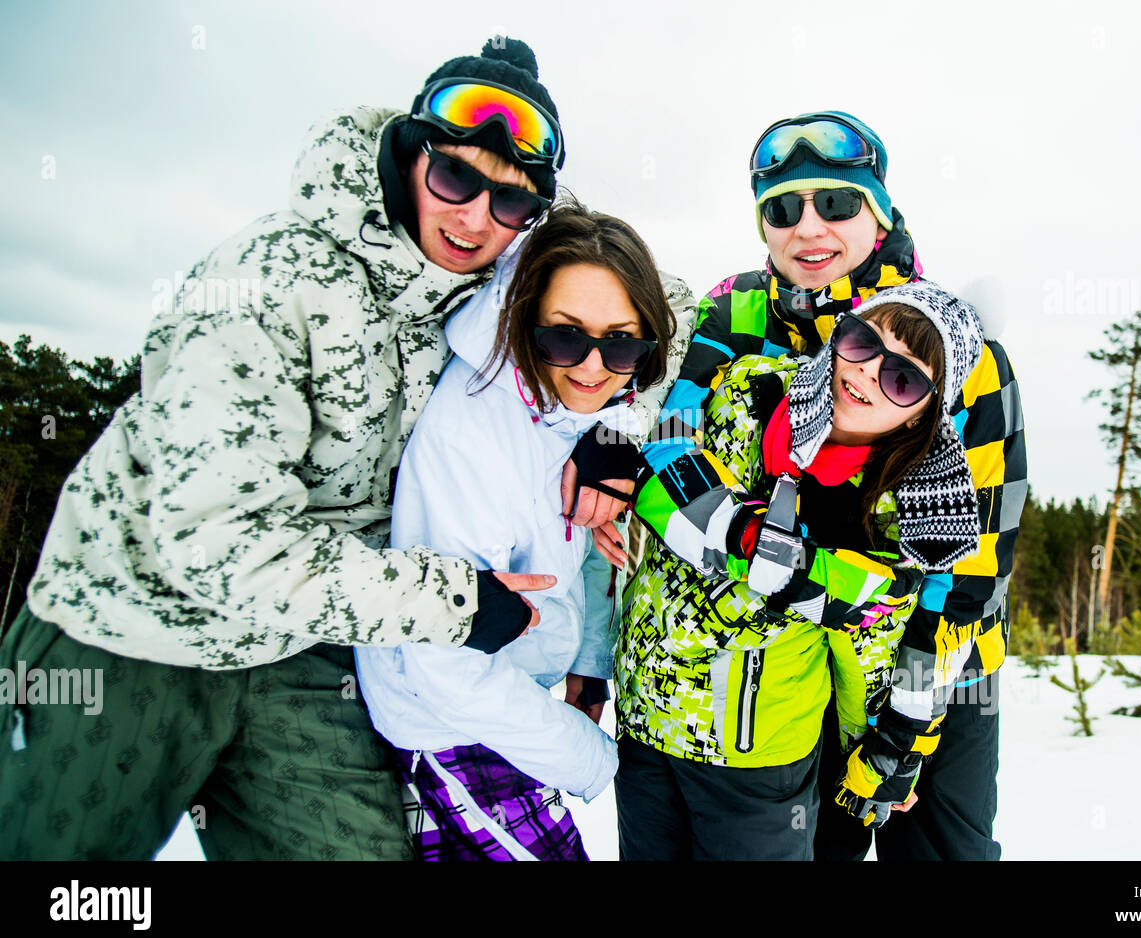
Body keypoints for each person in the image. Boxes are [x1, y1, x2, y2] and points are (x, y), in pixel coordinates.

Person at [0, 37, 689, 861]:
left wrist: (616, 430)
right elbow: (217, 539)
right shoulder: (269, 278)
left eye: (511, 201)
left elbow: (664, 305)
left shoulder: (505, 268)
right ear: (408, 156)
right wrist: (451, 602)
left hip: (311, 652)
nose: (476, 219)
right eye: (455, 179)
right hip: (137, 630)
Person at [632, 112, 1027, 860]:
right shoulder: (733, 310)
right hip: (788, 673)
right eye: (783, 208)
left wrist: (904, 733)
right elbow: (665, 436)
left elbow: (974, 567)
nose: (808, 228)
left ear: (878, 212)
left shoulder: (957, 346)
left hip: (938, 669)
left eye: (837, 203)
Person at [616, 280, 986, 860]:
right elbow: (662, 459)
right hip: (643, 723)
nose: (867, 373)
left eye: (903, 378)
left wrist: (885, 758)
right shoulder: (749, 391)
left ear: (924, 414)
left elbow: (873, 640)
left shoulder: (905, 509)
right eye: (863, 342)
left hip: (754, 753)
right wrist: (753, 540)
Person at [355, 201, 679, 861]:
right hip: (450, 728)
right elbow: (442, 662)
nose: (593, 367)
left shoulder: (570, 412)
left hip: (508, 707)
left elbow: (583, 547)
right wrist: (586, 753)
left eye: (622, 343)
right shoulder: (476, 438)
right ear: (525, 317)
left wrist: (588, 667)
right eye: (565, 337)